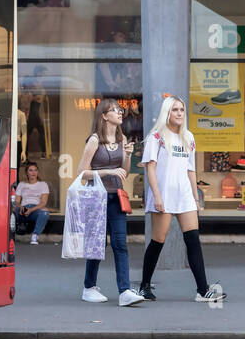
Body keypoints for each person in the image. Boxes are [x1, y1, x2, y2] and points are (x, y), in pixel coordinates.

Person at [139, 96, 226, 303]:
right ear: (167, 113)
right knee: (158, 241)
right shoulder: (157, 137)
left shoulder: (188, 137)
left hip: (184, 194)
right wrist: (157, 196)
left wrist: (196, 199)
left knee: (193, 239)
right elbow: (150, 168)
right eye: (174, 110)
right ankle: (144, 286)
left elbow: (191, 170)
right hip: (164, 195)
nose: (179, 113)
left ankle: (203, 290)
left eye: (181, 110)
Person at [76, 98, 144, 306]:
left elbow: (123, 172)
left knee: (120, 243)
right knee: (97, 244)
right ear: (104, 116)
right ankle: (89, 287)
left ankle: (124, 291)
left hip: (116, 196)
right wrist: (107, 171)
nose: (120, 113)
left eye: (121, 110)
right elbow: (82, 172)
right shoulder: (95, 140)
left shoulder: (122, 139)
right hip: (97, 198)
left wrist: (127, 156)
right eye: (116, 110)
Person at [14, 161, 50, 244]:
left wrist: (31, 210)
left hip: (35, 209)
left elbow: (43, 202)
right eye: (30, 170)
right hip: (23, 208)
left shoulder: (43, 184)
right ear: (27, 172)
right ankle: (17, 229)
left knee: (45, 212)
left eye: (35, 170)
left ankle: (35, 235)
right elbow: (17, 201)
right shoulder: (22, 184)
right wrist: (20, 207)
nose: (33, 173)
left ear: (38, 172)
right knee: (12, 209)